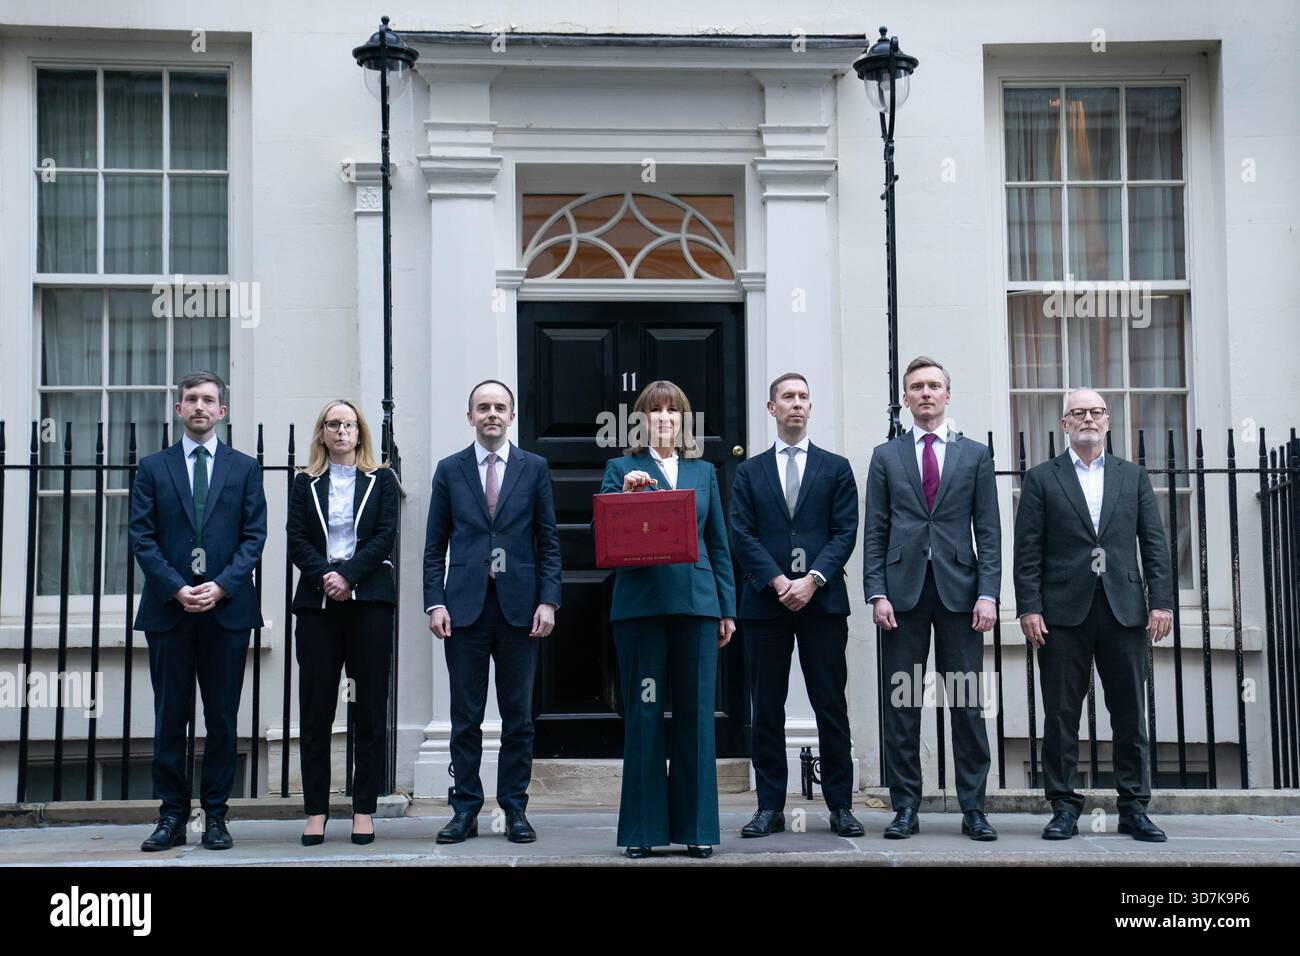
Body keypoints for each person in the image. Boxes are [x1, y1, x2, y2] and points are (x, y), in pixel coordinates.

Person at [1014, 388, 1174, 842]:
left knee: (1129, 714)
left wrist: (1161, 601)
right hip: (1062, 615)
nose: (1088, 418)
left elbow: (1155, 545)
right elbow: (1028, 550)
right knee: (1061, 714)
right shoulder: (1043, 478)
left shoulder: (1133, 476)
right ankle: (1063, 806)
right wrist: (1029, 607)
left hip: (1124, 611)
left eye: (1096, 412)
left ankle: (1134, 807)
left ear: (1108, 421)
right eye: (1078, 413)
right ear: (1064, 423)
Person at [862, 356, 1001, 841]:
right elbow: (875, 530)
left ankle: (974, 809)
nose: (925, 393)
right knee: (902, 705)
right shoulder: (886, 456)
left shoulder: (975, 455)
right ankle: (905, 807)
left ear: (947, 394)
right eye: (917, 387)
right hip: (901, 597)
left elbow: (988, 530)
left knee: (965, 703)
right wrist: (876, 592)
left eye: (934, 386)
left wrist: (989, 594)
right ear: (906, 398)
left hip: (961, 595)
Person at [129, 370, 267, 851]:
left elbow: (255, 538)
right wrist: (175, 587)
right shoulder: (152, 467)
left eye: (209, 400)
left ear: (222, 411)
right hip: (170, 612)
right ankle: (170, 815)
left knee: (222, 718)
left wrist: (222, 586)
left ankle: (216, 816)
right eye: (191, 399)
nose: (200, 407)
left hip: (226, 613)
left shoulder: (245, 468)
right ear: (179, 408)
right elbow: (141, 538)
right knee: (171, 715)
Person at [599, 379, 736, 858]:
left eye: (672, 411)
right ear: (641, 420)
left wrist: (726, 608)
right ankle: (642, 831)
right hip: (640, 608)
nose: (664, 418)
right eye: (654, 411)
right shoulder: (621, 468)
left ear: (684, 421)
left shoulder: (704, 472)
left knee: (697, 717)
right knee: (645, 715)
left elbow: (718, 544)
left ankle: (698, 829)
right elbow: (607, 537)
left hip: (697, 607)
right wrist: (628, 497)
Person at [423, 380, 561, 845]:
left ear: (512, 415)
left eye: (499, 407)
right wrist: (435, 601)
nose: (491, 415)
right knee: (466, 717)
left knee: (518, 717)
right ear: (470, 417)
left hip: (521, 609)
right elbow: (433, 547)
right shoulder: (449, 470)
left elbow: (549, 541)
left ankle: (515, 809)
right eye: (483, 408)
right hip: (463, 610)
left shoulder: (535, 468)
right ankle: (464, 809)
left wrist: (549, 599)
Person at [729, 372, 863, 838]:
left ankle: (841, 806)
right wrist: (778, 580)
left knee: (831, 705)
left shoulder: (836, 467)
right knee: (766, 706)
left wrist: (812, 579)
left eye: (804, 397)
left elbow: (845, 532)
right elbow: (741, 534)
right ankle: (769, 807)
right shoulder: (749, 472)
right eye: (788, 397)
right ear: (772, 409)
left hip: (822, 604)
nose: (797, 404)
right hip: (765, 606)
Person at [286, 399, 399, 846]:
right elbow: (296, 538)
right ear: (322, 433)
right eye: (332, 424)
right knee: (315, 710)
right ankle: (315, 810)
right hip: (317, 605)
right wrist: (326, 577)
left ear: (360, 432)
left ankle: (363, 809)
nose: (340, 432)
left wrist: (349, 575)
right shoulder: (305, 483)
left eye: (348, 425)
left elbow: (384, 534)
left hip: (369, 601)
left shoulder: (382, 480)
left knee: (369, 709)